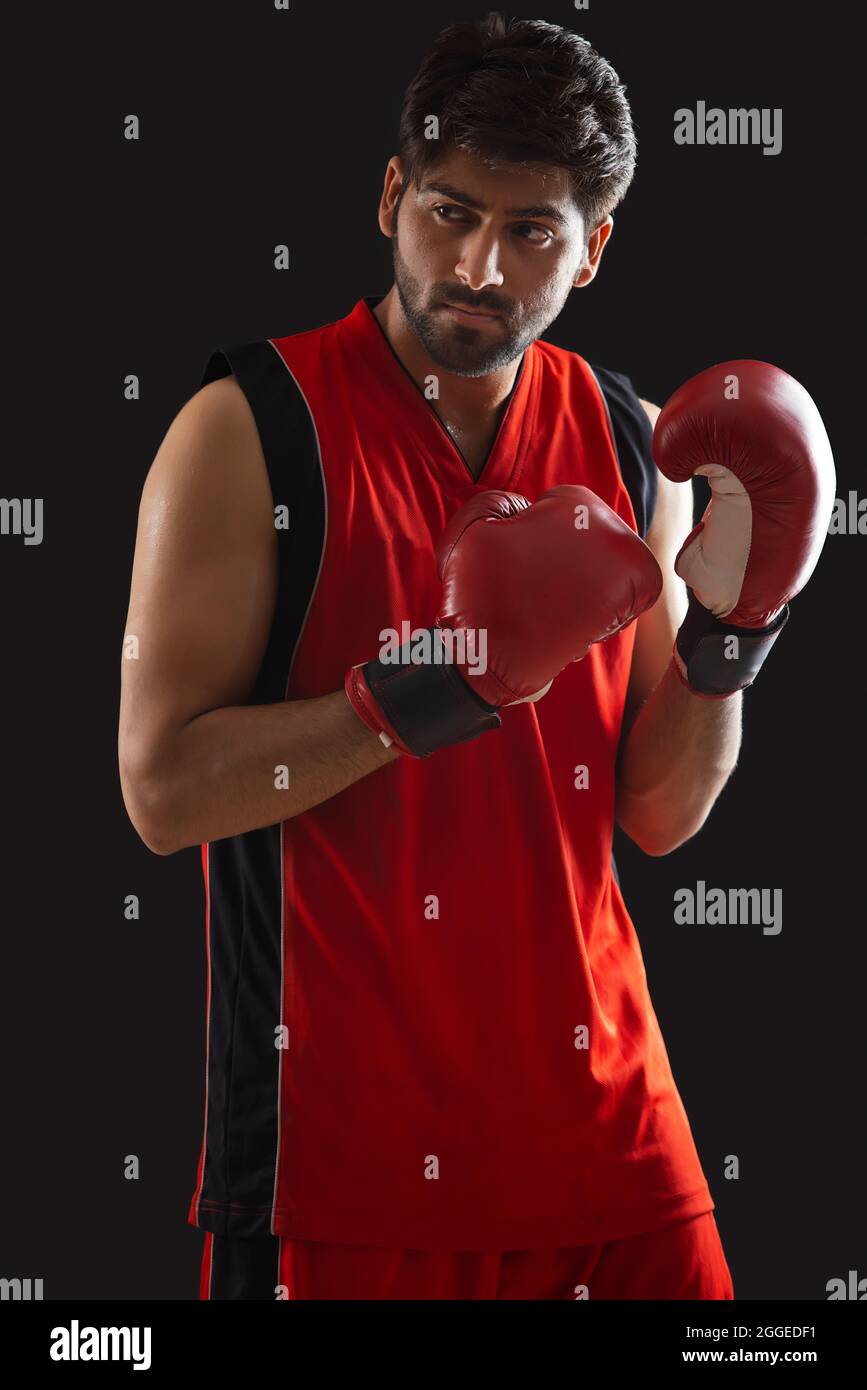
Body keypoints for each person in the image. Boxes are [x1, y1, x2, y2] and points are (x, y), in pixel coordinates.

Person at [118, 13, 831, 1300]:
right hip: (344, 1167)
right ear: (393, 194)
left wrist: (735, 637)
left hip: (615, 1140)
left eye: (532, 232)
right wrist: (434, 686)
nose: (480, 267)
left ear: (595, 247)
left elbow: (660, 814)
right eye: (449, 213)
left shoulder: (631, 442)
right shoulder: (249, 431)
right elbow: (163, 794)